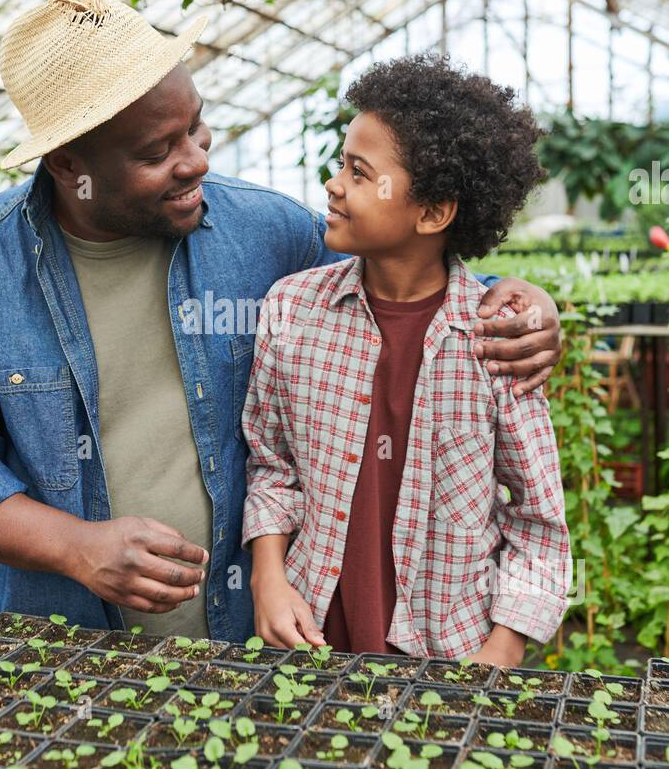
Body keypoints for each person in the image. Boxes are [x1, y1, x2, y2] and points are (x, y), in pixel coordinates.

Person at [0, 0, 563, 640]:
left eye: (195, 130)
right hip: (59, 647)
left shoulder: (266, 232)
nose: (195, 161)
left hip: (246, 647)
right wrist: (76, 547)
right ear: (66, 164)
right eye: (157, 151)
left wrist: (516, 300)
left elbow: (398, 281)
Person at [243, 53, 572, 663]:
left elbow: (537, 524)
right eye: (342, 164)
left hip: (453, 654)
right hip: (310, 639)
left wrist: (497, 655)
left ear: (433, 212)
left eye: (360, 173)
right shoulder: (291, 309)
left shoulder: (496, 338)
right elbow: (272, 465)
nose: (334, 184)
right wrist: (269, 576)